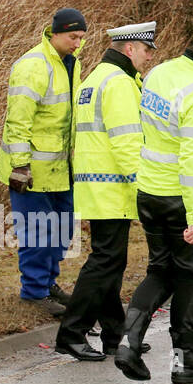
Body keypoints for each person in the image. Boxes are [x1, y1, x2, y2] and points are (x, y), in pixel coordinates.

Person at [114, 25, 193, 384]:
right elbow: (191, 161)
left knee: (160, 270)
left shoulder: (159, 73)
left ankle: (128, 342)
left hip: (149, 191)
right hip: (181, 198)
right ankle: (184, 362)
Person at [55, 22, 157, 361]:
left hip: (93, 185)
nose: (148, 57)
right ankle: (71, 333)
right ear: (130, 49)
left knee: (110, 261)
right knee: (105, 262)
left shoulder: (96, 78)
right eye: (146, 50)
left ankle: (115, 335)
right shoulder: (119, 83)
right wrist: (144, 187)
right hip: (113, 187)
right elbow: (127, 141)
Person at [0, 8, 86, 317]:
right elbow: (17, 121)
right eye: (73, 37)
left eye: (81, 37)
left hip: (60, 168)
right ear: (56, 32)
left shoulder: (69, 63)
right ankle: (33, 293)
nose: (78, 43)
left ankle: (48, 285)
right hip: (31, 170)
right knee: (38, 231)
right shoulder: (34, 65)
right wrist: (20, 166)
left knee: (61, 229)